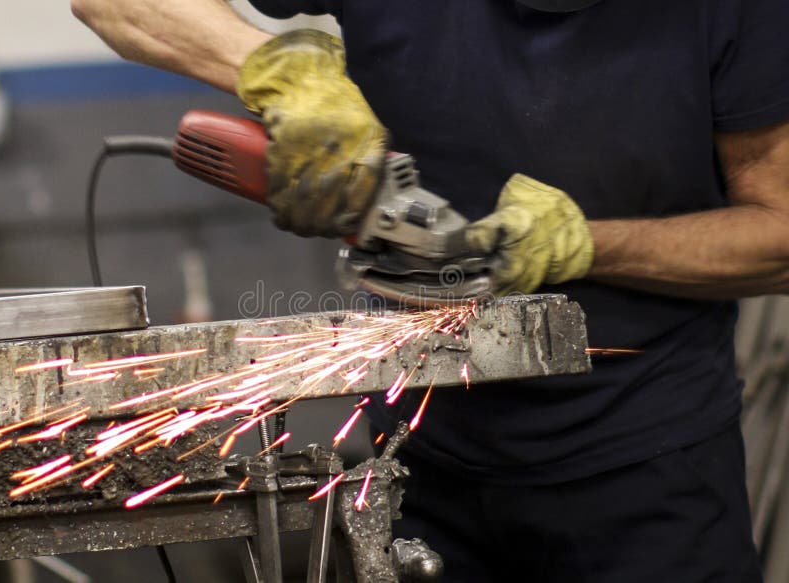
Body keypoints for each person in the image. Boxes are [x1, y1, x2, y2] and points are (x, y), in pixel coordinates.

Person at [72, 0, 789, 580]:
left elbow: (779, 232)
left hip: (652, 469)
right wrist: (272, 69)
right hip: (414, 462)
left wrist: (588, 244)